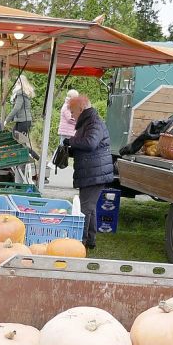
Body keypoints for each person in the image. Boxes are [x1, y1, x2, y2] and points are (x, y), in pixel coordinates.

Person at [64, 94, 115, 250]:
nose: (71, 116)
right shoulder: (88, 122)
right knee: (89, 207)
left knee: (85, 208)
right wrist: (71, 149)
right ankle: (90, 241)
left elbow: (90, 143)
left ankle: (81, 242)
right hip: (92, 171)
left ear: (81, 109)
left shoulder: (94, 122)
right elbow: (87, 145)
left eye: (72, 112)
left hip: (95, 172)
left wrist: (70, 141)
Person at [5, 74, 35, 140]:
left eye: (16, 82)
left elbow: (17, 108)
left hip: (24, 121)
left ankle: (29, 151)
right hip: (22, 120)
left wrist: (7, 119)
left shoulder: (20, 93)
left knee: (21, 142)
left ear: (19, 83)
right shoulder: (22, 93)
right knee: (15, 138)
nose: (15, 84)